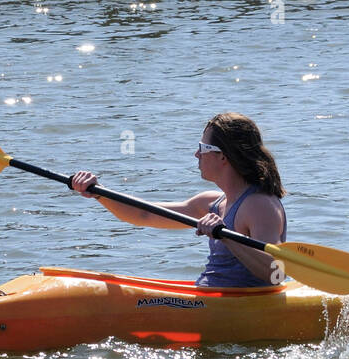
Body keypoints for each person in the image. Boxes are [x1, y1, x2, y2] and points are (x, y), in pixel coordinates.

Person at [68, 113, 287, 288]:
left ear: (223, 156)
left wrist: (228, 238)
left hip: (239, 307)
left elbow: (275, 273)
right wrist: (99, 193)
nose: (196, 154)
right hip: (209, 297)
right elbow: (144, 214)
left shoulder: (259, 205)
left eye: (202, 148)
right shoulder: (211, 202)